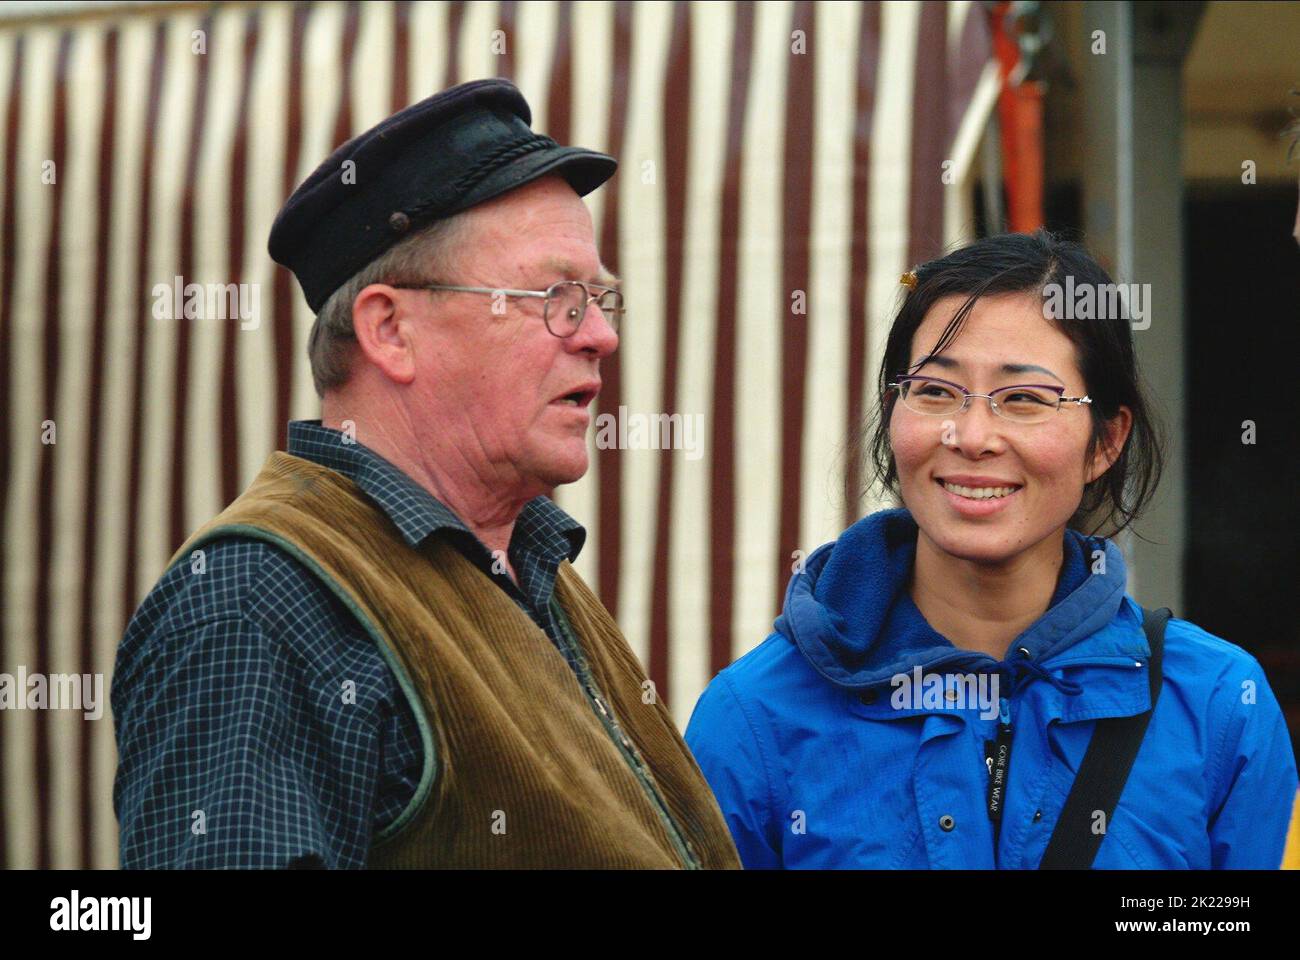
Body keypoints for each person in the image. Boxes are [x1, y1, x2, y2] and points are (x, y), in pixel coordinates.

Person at [112, 78, 740, 870]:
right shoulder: (256, 599)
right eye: (555, 297)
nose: (601, 337)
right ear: (389, 330)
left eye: (601, 297)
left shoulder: (523, 557)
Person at [684, 230, 1299, 869]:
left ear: (1106, 440)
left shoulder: (1217, 705)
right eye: (935, 391)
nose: (972, 435)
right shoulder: (756, 715)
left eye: (1025, 399)